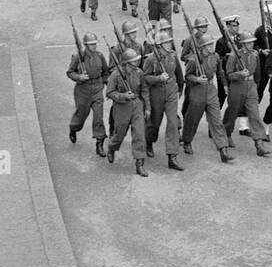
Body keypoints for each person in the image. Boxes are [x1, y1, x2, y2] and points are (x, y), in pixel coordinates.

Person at [180, 15, 233, 163]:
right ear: (202, 47)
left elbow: (220, 72)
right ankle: (187, 140)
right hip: (196, 91)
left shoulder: (215, 56)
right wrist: (196, 79)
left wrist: (224, 85)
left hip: (211, 89)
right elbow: (187, 76)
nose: (211, 47)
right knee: (192, 119)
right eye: (208, 45)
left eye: (212, 44)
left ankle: (223, 149)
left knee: (216, 120)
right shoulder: (192, 60)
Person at [142, 22, 185, 170]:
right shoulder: (151, 59)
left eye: (169, 41)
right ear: (159, 45)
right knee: (154, 122)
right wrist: (158, 78)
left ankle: (172, 156)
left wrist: (180, 86)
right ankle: (148, 141)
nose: (169, 44)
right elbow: (145, 78)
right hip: (157, 92)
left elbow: (178, 72)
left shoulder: (173, 55)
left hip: (171, 91)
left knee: (173, 123)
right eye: (166, 42)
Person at [223, 30, 271, 156]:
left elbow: (258, 73)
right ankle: (226, 134)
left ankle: (259, 143)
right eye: (248, 43)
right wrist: (239, 74)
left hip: (251, 87)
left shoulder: (254, 54)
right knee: (232, 112)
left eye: (252, 42)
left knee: (254, 114)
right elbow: (229, 74)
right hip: (237, 87)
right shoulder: (234, 56)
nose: (251, 45)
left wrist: (256, 86)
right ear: (242, 44)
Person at [106, 46, 151, 176]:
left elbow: (144, 90)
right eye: (133, 63)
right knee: (119, 134)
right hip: (121, 107)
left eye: (137, 62)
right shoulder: (115, 75)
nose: (136, 65)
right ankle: (112, 147)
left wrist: (147, 108)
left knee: (139, 134)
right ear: (126, 64)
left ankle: (139, 163)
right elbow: (109, 92)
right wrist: (123, 96)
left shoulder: (139, 73)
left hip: (137, 104)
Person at [66, 31, 108, 156]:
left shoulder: (99, 56)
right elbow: (70, 72)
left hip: (96, 89)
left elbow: (105, 72)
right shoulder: (78, 57)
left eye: (95, 43)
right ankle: (73, 128)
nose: (94, 46)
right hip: (82, 90)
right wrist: (79, 77)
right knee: (81, 115)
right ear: (85, 45)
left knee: (98, 117)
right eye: (91, 44)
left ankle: (99, 142)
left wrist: (107, 82)